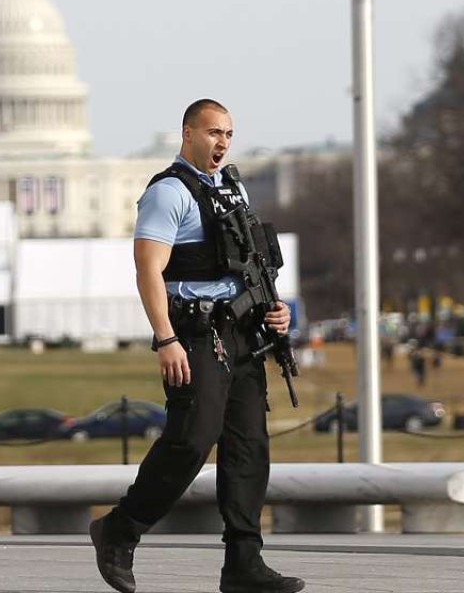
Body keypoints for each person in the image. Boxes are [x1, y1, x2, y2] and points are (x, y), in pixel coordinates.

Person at [89, 99, 305, 593]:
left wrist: (276, 310)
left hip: (245, 332)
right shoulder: (169, 192)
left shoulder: (233, 187)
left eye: (228, 133)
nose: (222, 142)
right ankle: (120, 530)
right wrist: (165, 339)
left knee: (249, 448)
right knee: (192, 438)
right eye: (212, 132)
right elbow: (148, 269)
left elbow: (249, 265)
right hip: (196, 333)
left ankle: (244, 564)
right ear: (187, 134)